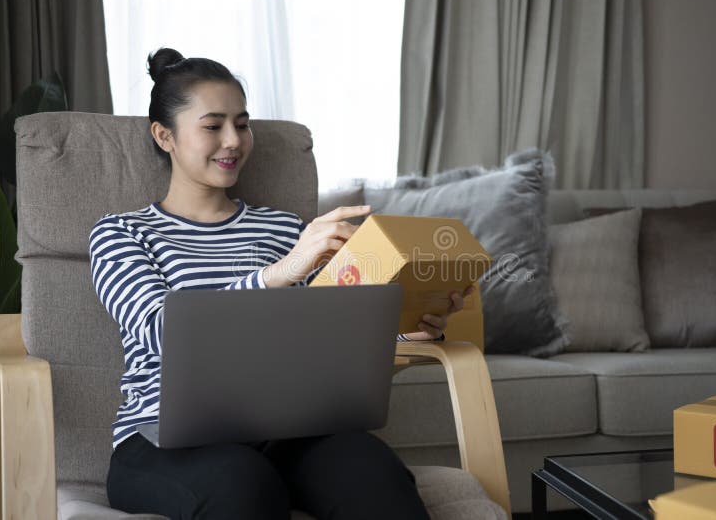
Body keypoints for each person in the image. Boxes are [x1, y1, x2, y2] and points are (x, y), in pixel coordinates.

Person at [88, 48, 473, 520]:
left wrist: (403, 333)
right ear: (164, 135)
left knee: (372, 473)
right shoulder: (121, 233)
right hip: (162, 439)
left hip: (292, 432)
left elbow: (331, 337)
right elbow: (161, 328)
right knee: (242, 485)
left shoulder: (287, 229)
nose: (233, 140)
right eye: (213, 126)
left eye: (242, 124)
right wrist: (279, 274)